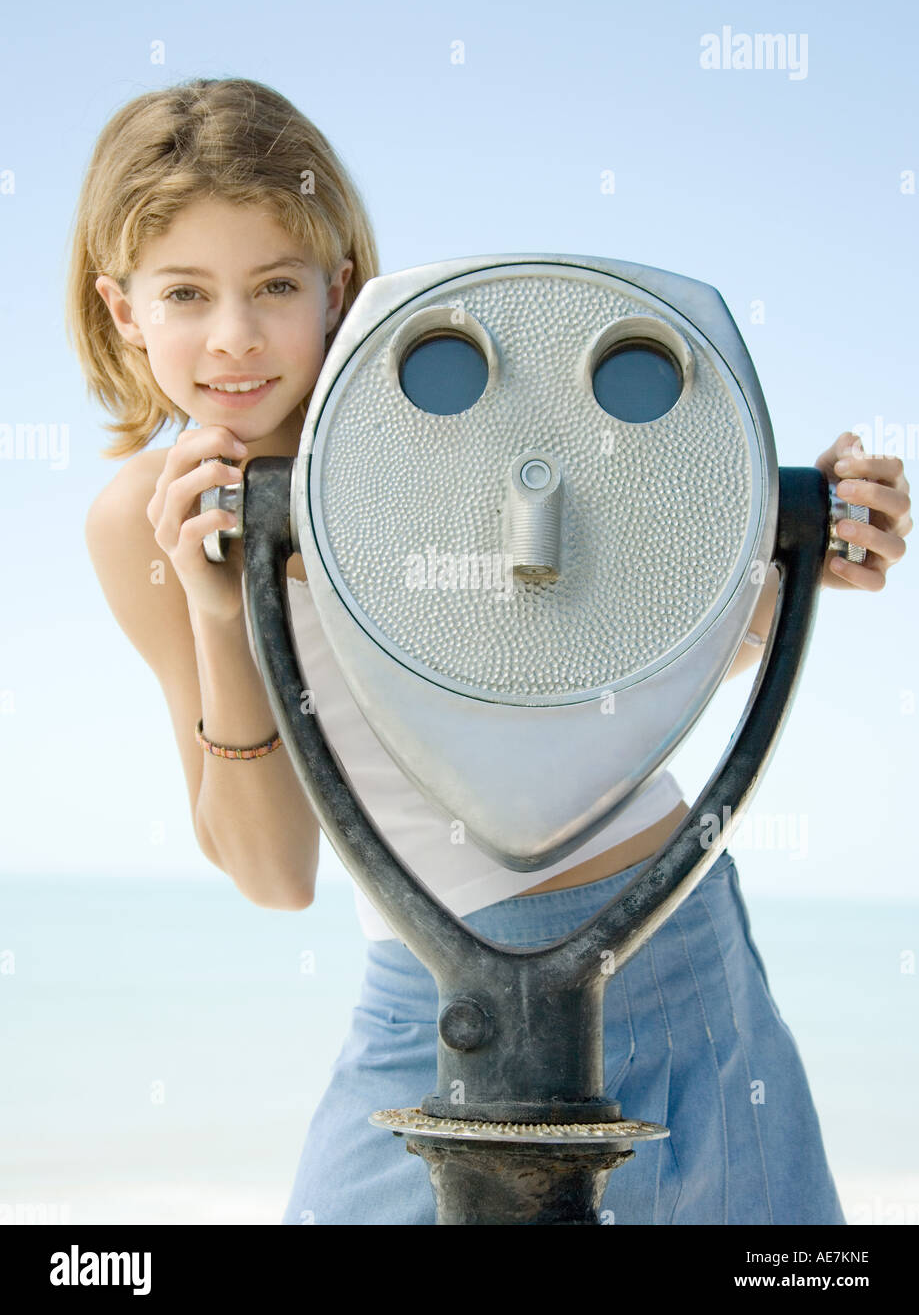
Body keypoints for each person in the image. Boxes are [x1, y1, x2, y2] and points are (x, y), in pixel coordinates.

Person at [70, 77, 912, 1226]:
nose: (235, 335)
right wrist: (226, 612)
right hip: (423, 997)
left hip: (663, 953)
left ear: (340, 292)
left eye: (275, 284)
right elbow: (274, 875)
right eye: (186, 292)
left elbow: (613, 682)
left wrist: (796, 570)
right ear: (125, 312)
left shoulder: (460, 435)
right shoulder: (140, 526)